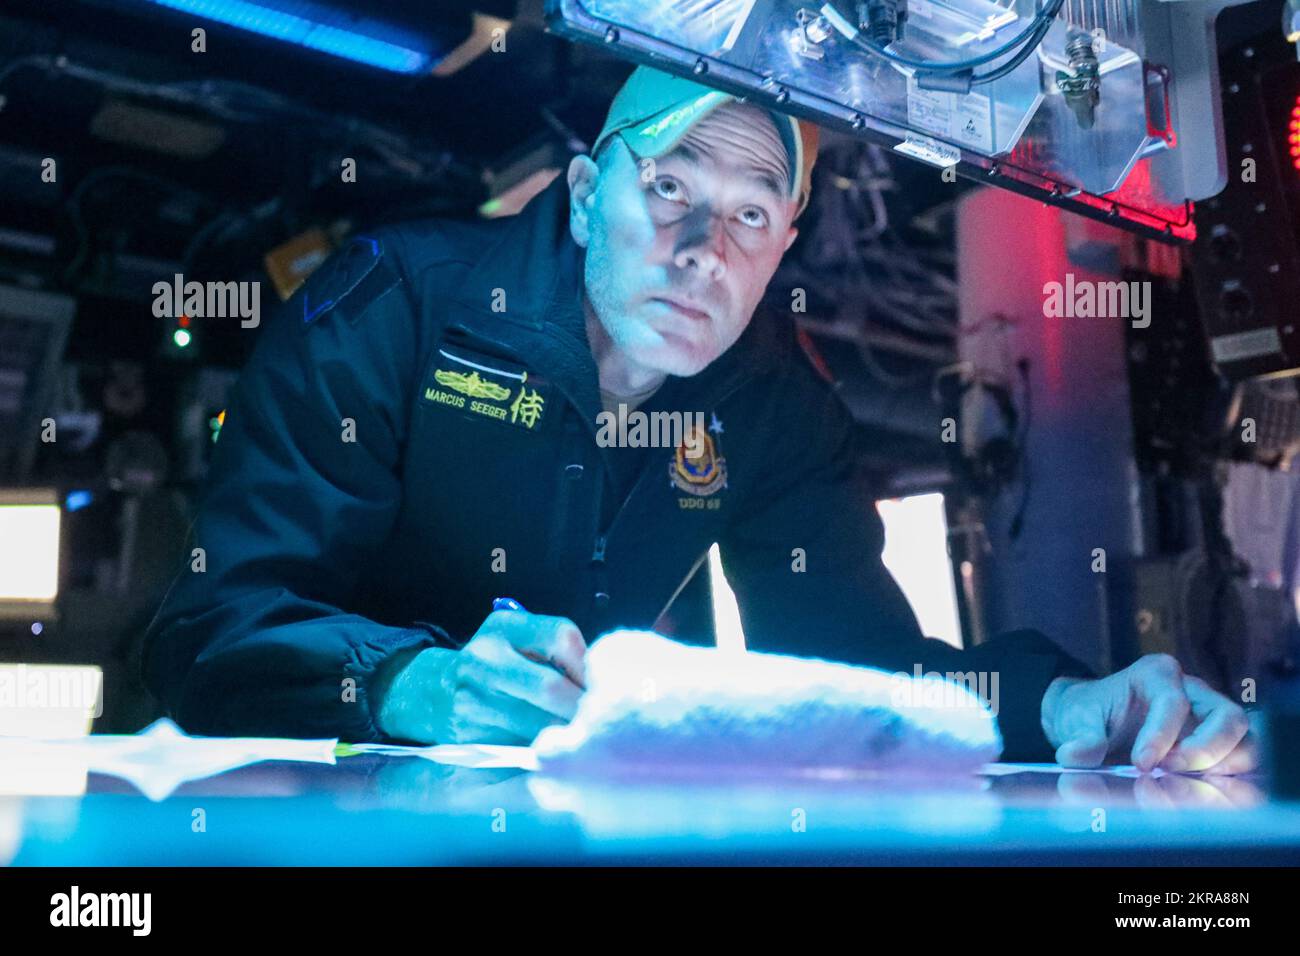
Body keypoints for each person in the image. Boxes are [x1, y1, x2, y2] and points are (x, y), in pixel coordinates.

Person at [143, 67, 1254, 773]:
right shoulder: (392, 305)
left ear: (779, 253)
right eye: (669, 189)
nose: (700, 252)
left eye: (750, 215)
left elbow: (859, 671)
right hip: (312, 818)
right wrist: (410, 682)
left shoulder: (773, 404)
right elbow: (208, 627)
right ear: (584, 196)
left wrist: (1059, 697)